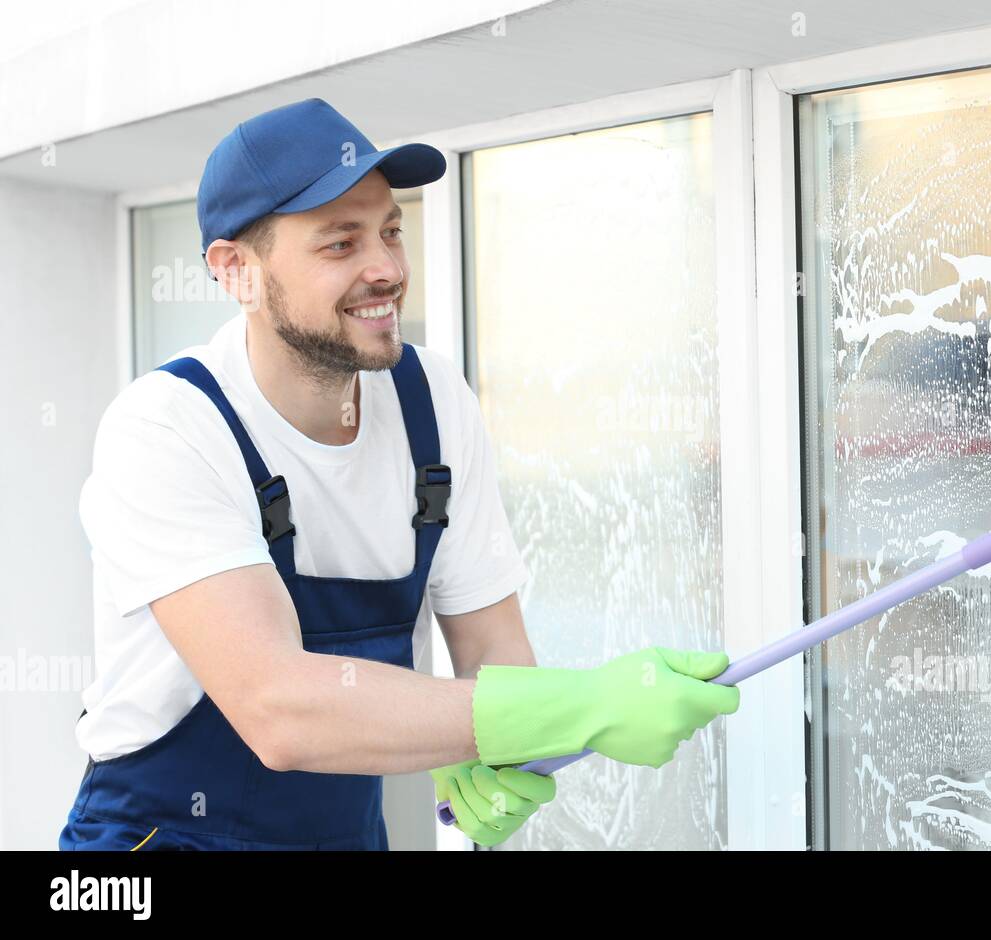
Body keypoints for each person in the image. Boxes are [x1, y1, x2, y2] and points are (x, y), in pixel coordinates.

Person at [58, 98, 739, 851]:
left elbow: (495, 654)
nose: (385, 269)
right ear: (237, 272)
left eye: (390, 231)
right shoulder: (168, 428)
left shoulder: (431, 404)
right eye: (339, 244)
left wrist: (499, 753)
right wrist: (581, 706)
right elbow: (279, 708)